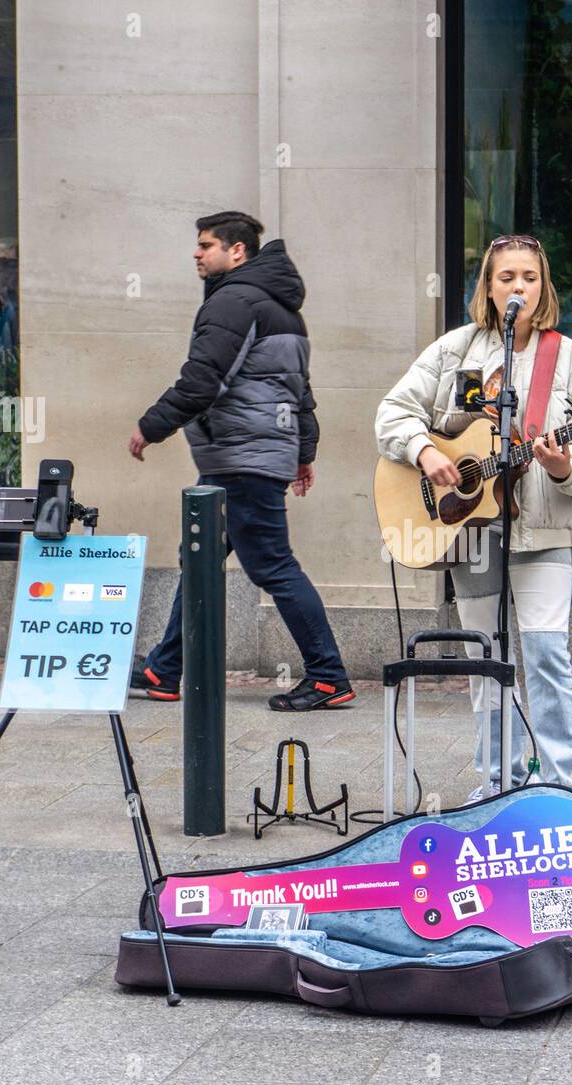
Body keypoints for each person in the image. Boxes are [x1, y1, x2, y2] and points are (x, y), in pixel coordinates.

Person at [376, 234, 572, 799]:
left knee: (546, 653)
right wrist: (427, 452)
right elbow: (393, 413)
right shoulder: (455, 350)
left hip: (543, 532)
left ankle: (561, 786)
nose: (518, 287)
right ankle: (496, 783)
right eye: (506, 277)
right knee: (486, 661)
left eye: (528, 278)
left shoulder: (569, 358)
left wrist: (562, 468)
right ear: (488, 286)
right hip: (470, 532)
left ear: (543, 287)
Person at [128, 211, 353, 711]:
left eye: (206, 245)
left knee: (272, 565)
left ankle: (327, 676)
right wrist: (302, 452)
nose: (196, 253)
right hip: (246, 453)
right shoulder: (282, 309)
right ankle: (164, 671)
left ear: (237, 252)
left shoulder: (233, 301)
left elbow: (202, 379)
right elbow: (299, 391)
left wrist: (151, 425)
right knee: (200, 561)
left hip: (241, 456)